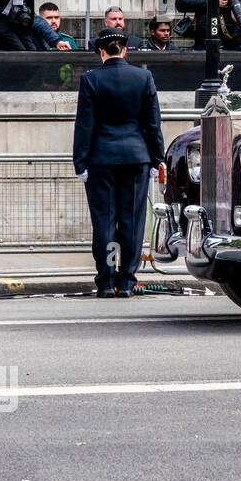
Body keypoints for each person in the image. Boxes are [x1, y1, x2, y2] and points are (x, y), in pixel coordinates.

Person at [72, 28, 165, 299]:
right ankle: (126, 281)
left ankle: (105, 280)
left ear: (102, 52)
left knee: (104, 220)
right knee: (132, 221)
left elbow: (84, 124)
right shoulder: (143, 77)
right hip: (136, 157)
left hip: (101, 158)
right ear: (124, 50)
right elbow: (153, 124)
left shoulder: (91, 80)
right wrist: (157, 159)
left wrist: (80, 162)